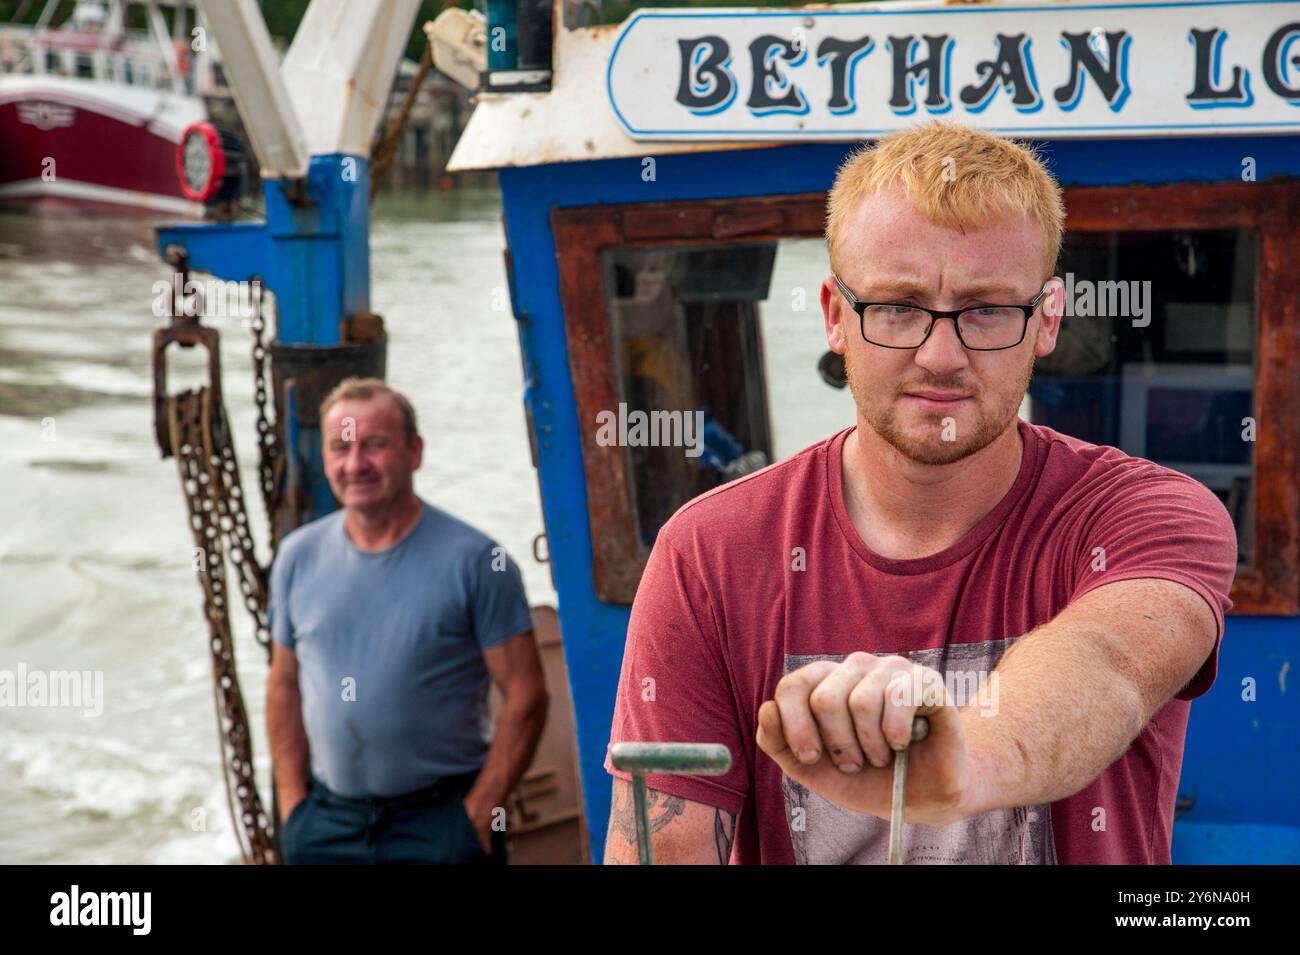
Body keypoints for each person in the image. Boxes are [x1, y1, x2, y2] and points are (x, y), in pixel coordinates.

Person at [603, 123, 1237, 865]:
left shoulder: (1149, 516)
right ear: (836, 316)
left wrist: (956, 763)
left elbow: (1108, 666)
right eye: (898, 307)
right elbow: (664, 848)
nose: (941, 356)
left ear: (1048, 320)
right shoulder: (710, 552)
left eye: (987, 310)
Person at [267, 377, 547, 864]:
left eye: (374, 445)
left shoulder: (478, 562)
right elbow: (283, 686)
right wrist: (294, 809)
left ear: (414, 452)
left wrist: (479, 814)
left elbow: (527, 694)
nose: (356, 464)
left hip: (439, 822)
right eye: (341, 448)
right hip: (327, 828)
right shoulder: (296, 558)